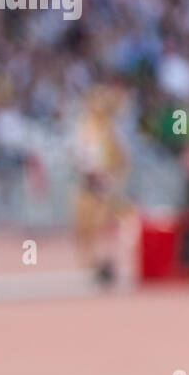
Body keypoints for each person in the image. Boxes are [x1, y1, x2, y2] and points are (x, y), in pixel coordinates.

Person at [72, 82, 133, 286]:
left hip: (106, 185)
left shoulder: (110, 130)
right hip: (90, 184)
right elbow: (81, 157)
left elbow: (123, 157)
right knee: (86, 226)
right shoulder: (86, 129)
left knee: (109, 224)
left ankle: (110, 263)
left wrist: (115, 178)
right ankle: (91, 264)